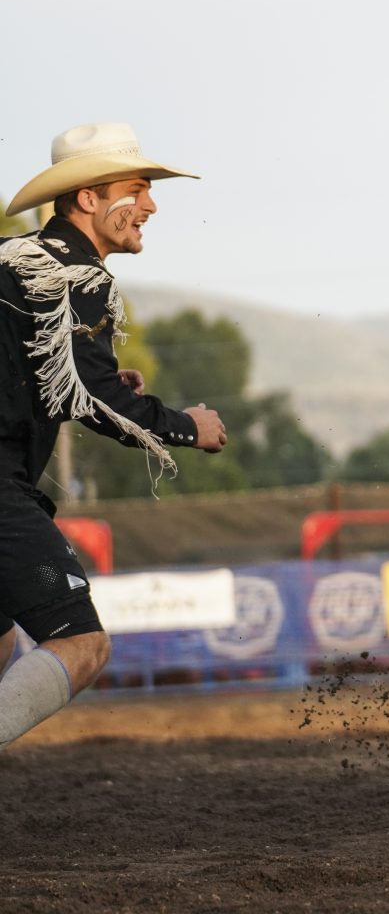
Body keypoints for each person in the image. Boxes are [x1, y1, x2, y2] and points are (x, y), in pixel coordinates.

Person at [0, 123, 227, 750]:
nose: (151, 206)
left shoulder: (11, 259)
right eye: (137, 189)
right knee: (83, 644)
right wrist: (187, 426)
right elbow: (96, 399)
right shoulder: (80, 276)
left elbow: (47, 377)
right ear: (88, 198)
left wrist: (92, 374)